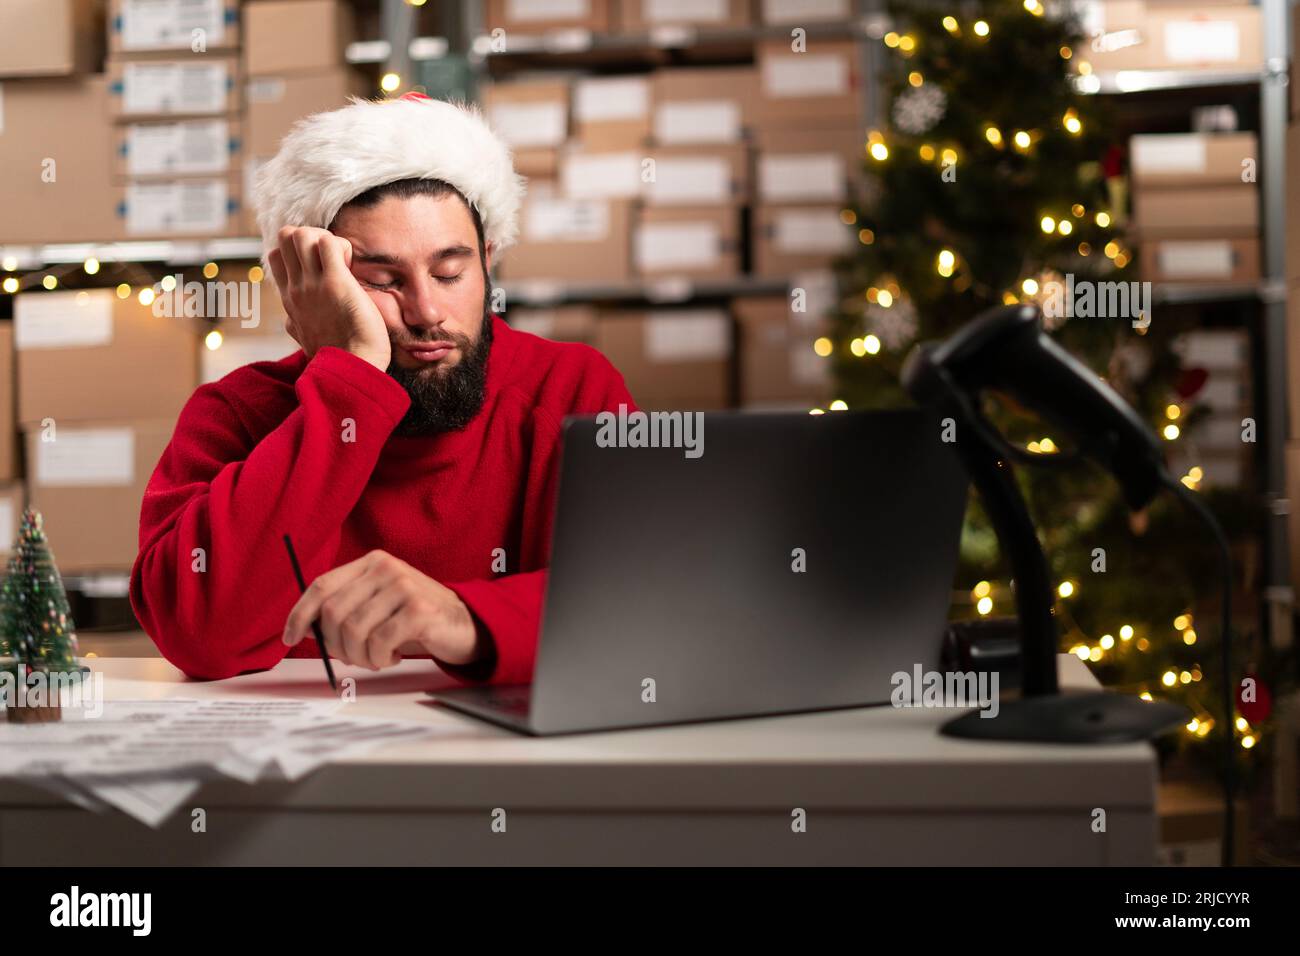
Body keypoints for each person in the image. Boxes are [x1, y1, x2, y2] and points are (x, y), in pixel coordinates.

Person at [129, 93, 638, 684]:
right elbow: (197, 635)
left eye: (451, 273)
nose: (427, 311)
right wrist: (350, 374)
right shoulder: (237, 413)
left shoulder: (569, 388)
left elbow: (639, 599)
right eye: (380, 281)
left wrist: (465, 619)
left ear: (489, 260)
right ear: (309, 285)